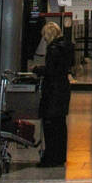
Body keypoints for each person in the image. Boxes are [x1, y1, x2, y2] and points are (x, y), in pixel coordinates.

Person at [37, 20, 72, 167]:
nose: (44, 39)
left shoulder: (53, 49)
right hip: (63, 89)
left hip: (53, 91)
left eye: (45, 36)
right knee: (60, 125)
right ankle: (60, 156)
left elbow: (51, 71)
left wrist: (38, 69)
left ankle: (50, 157)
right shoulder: (66, 46)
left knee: (50, 125)